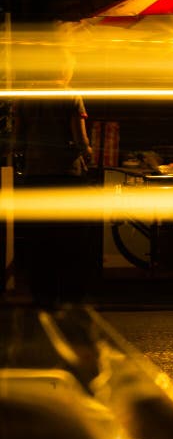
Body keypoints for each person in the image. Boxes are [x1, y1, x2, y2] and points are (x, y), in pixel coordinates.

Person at [13, 41, 96, 307]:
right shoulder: (71, 96)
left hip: (36, 175)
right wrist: (89, 155)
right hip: (66, 175)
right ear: (64, 67)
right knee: (69, 240)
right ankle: (71, 295)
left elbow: (17, 139)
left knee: (40, 241)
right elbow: (80, 139)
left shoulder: (26, 96)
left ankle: (43, 297)